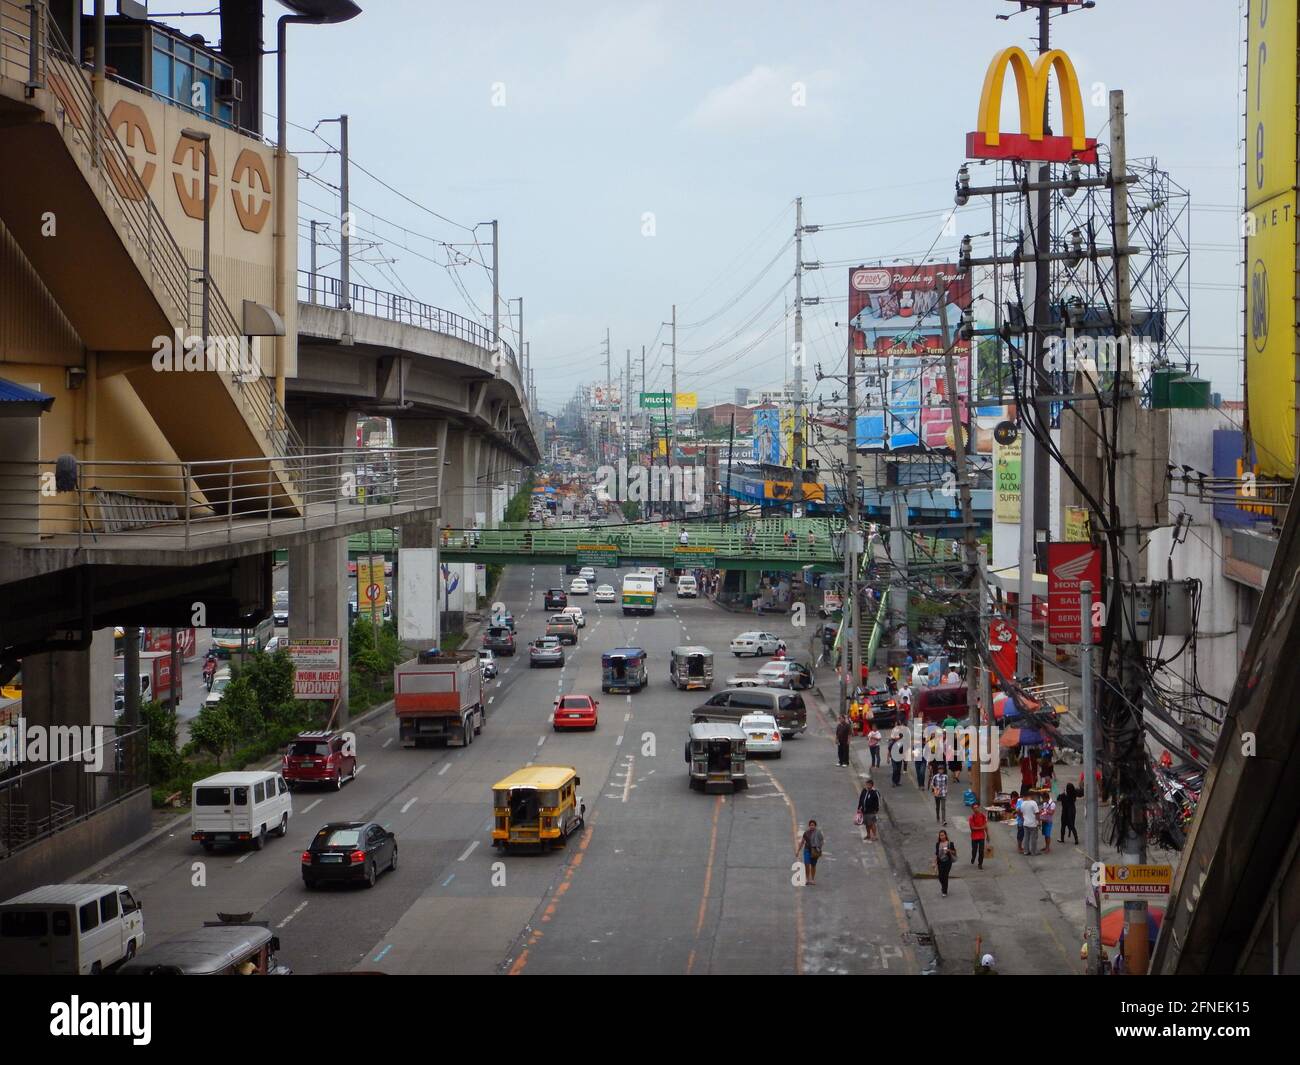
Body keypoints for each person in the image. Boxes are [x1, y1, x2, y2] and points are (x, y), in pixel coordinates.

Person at [797, 820, 824, 885]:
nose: (812, 826)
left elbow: (822, 841)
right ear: (809, 826)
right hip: (807, 850)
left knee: (813, 865)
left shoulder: (818, 833)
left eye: (813, 825)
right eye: (811, 825)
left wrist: (819, 848)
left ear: (815, 826)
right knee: (807, 864)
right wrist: (798, 851)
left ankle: (812, 879)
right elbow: (802, 842)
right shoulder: (806, 833)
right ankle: (807, 879)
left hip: (815, 851)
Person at [934, 830, 957, 896]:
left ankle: (944, 891)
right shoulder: (938, 844)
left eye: (943, 835)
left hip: (948, 862)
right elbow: (936, 854)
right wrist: (934, 862)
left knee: (945, 876)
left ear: (945, 835)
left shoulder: (950, 843)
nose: (942, 837)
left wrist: (949, 850)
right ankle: (943, 887)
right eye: (940, 835)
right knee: (940, 876)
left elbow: (954, 852)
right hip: (940, 862)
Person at [968, 802, 988, 869]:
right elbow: (972, 828)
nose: (976, 809)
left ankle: (980, 863)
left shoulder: (983, 816)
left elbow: (986, 826)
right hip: (974, 837)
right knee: (974, 850)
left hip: (982, 836)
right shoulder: (971, 817)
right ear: (972, 809)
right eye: (974, 808)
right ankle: (973, 857)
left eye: (977, 807)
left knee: (981, 851)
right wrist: (982, 827)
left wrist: (988, 835)